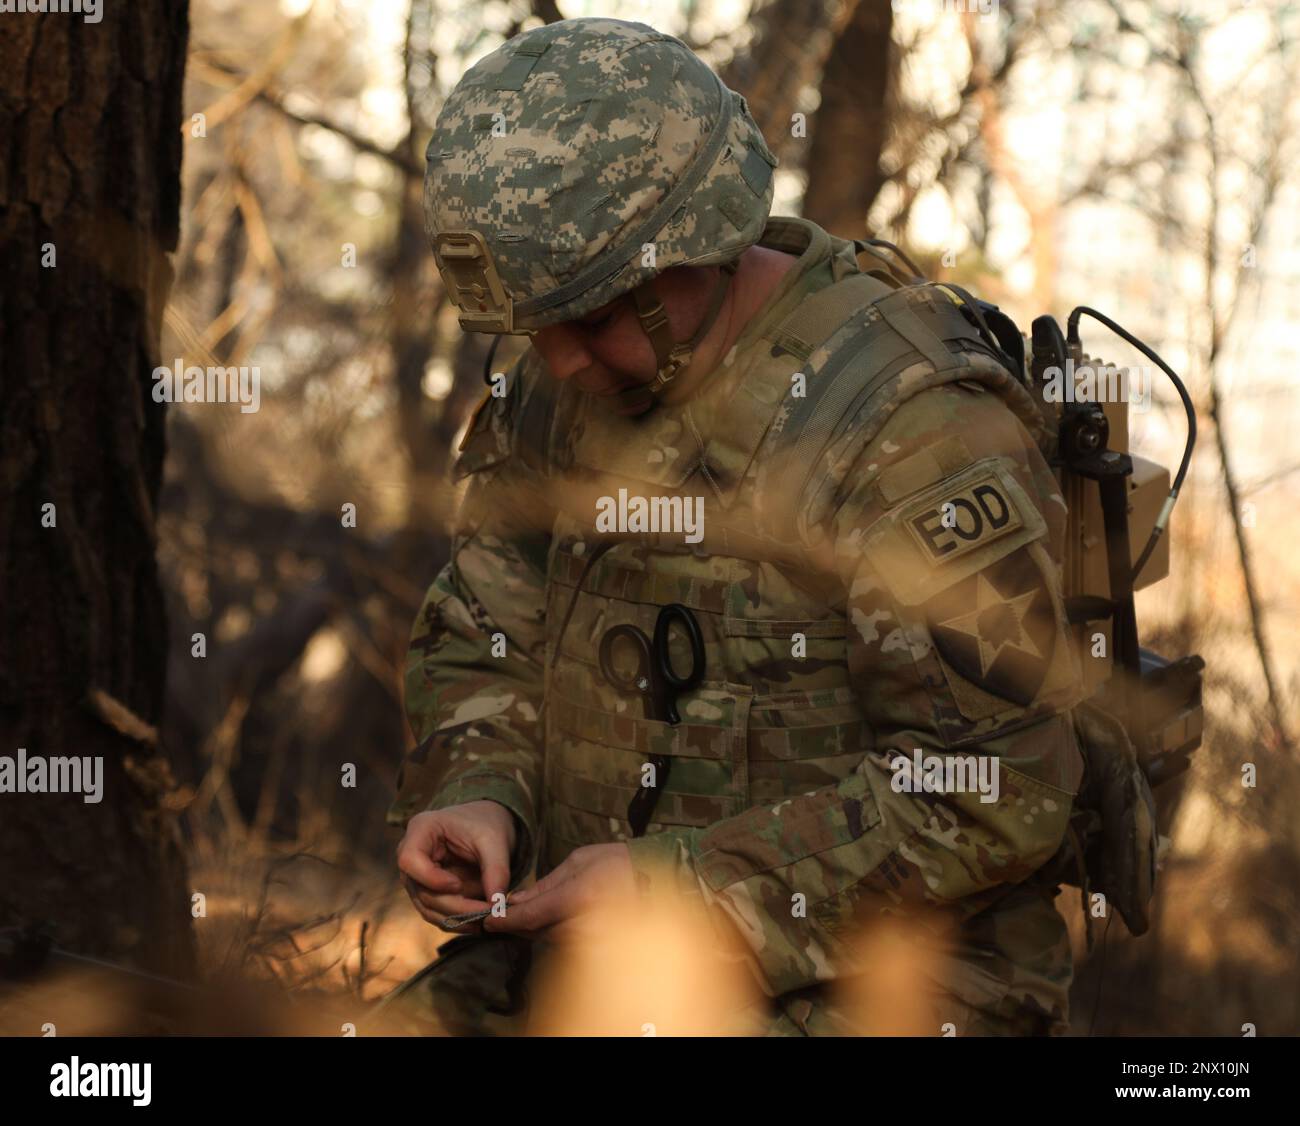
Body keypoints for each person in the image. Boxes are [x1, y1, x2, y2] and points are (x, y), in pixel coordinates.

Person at [382, 16, 1086, 1036]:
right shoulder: (557, 396)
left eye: (592, 320)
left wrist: (681, 889)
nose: (564, 363)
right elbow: (486, 627)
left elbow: (991, 792)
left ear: (701, 241)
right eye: (538, 330)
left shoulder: (908, 425)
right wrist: (481, 789)